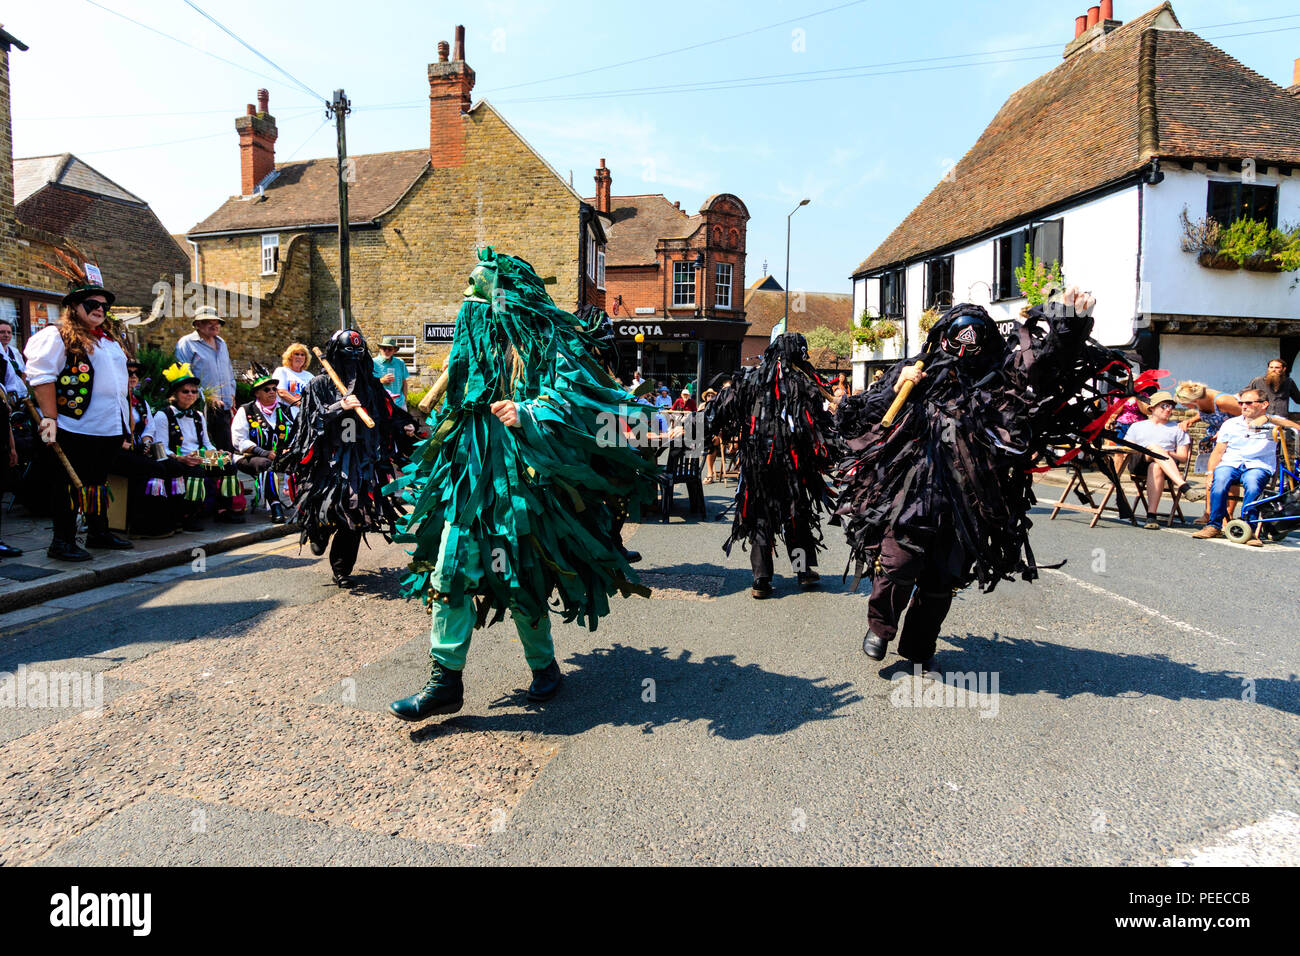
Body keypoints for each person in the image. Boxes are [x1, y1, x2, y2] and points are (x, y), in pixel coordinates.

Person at [387, 248, 658, 723]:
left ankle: (544, 664)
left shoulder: (541, 339)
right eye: (467, 290)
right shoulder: (469, 349)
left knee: (520, 575)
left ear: (506, 295)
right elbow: (455, 403)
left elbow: (573, 396)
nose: (467, 299)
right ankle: (444, 680)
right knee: (449, 573)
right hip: (467, 479)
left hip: (523, 482)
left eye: (478, 290)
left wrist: (529, 412)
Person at [837, 289, 1123, 669]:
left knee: (942, 578)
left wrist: (1068, 324)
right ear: (942, 338)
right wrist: (894, 385)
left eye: (974, 341)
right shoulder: (914, 372)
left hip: (970, 500)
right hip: (911, 491)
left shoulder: (1001, 375)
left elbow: (1045, 367)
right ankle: (881, 626)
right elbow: (857, 418)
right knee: (898, 563)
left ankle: (919, 644)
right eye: (956, 340)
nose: (963, 351)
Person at [706, 333, 841, 599]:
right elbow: (819, 424)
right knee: (795, 515)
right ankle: (802, 573)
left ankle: (761, 580)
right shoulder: (804, 383)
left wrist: (695, 431)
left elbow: (719, 409)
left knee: (760, 516)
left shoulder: (749, 380)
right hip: (793, 466)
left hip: (758, 465)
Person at [274, 328, 411, 587]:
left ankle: (341, 569)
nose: (354, 361)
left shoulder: (370, 385)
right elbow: (308, 422)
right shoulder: (319, 385)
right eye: (349, 355)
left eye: (359, 355)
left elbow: (386, 416)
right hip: (328, 462)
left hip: (362, 461)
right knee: (325, 507)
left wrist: (404, 427)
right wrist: (338, 407)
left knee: (356, 514)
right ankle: (319, 532)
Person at [24, 264, 135, 561]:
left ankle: (98, 532)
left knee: (98, 482)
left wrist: (125, 424)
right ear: (74, 306)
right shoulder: (57, 335)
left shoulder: (109, 341)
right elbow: (41, 377)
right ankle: (62, 541)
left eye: (104, 305)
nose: (100, 309)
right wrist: (50, 419)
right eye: (92, 304)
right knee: (66, 484)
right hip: (74, 426)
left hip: (108, 427)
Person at [1192, 387, 1300, 545]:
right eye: (1241, 402)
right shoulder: (1230, 424)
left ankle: (1248, 528)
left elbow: (1296, 427)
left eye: (1248, 403)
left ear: (1263, 404)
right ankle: (1214, 525)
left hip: (1258, 464)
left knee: (1253, 483)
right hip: (1231, 462)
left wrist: (1268, 418)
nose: (1243, 406)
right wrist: (1210, 473)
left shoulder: (1273, 422)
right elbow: (1218, 451)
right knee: (1219, 480)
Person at [146, 364, 245, 532]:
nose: (190, 395)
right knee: (195, 471)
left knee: (228, 464)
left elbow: (206, 443)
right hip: (177, 459)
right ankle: (189, 515)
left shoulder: (198, 415)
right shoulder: (163, 415)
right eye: (185, 391)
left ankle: (224, 509)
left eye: (193, 391)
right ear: (174, 394)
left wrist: (216, 452)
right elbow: (160, 446)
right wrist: (181, 458)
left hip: (199, 456)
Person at [1121, 390, 1196, 529]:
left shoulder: (1177, 428)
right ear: (1152, 407)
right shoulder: (1137, 426)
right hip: (1139, 462)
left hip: (1164, 467)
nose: (1169, 409)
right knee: (1154, 447)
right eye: (1164, 406)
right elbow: (1126, 451)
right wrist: (1152, 450)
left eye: (1171, 406)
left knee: (1155, 466)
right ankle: (1183, 486)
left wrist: (1167, 453)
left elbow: (1183, 458)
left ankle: (1151, 516)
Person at [231, 364, 293, 524]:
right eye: (267, 389)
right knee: (267, 464)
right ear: (257, 393)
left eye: (274, 388)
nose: (272, 391)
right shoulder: (246, 410)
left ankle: (303, 503)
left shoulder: (284, 410)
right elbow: (239, 440)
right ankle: (275, 505)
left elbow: (294, 433)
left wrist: (290, 448)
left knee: (306, 460)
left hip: (280, 455)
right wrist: (264, 452)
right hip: (249, 457)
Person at [1175, 381, 1241, 526]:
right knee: (1210, 476)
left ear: (1195, 399)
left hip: (1233, 441)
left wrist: (1225, 431)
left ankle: (1227, 514)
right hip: (1214, 441)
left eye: (1185, 404)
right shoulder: (1202, 402)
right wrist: (1191, 419)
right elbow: (1207, 414)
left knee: (1229, 478)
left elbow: (1246, 416)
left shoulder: (1222, 400)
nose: (1184, 407)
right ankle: (1209, 513)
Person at [175, 305, 236, 451]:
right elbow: (184, 376)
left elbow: (229, 370)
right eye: (209, 321)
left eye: (217, 322)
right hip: (201, 407)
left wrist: (232, 394)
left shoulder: (222, 343)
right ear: (197, 324)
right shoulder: (187, 343)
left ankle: (222, 475)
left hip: (224, 406)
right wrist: (206, 396)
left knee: (226, 452)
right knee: (205, 451)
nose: (214, 325)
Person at [272, 343, 313, 419]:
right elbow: (282, 392)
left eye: (302, 355)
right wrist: (301, 405)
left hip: (305, 417)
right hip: (285, 415)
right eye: (296, 354)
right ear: (290, 357)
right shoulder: (282, 371)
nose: (299, 357)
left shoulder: (310, 376)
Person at [372, 335, 410, 410]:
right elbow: (368, 384)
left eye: (390, 349)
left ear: (394, 350)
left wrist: (404, 400)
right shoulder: (373, 363)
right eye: (384, 348)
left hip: (399, 404)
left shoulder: (400, 362)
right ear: (380, 349)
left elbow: (404, 382)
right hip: (381, 404)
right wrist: (381, 380)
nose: (386, 351)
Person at [0, 318, 27, 398]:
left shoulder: (14, 351)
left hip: (19, 395)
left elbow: (23, 372)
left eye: (9, 332)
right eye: (2, 332)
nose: (6, 335)